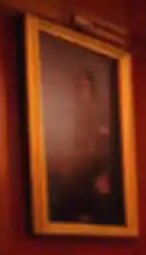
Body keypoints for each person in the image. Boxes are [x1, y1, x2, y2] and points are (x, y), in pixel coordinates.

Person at [47, 69, 118, 224]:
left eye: (83, 87)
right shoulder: (66, 116)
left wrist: (105, 172)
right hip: (75, 167)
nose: (80, 92)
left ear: (91, 89)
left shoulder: (99, 114)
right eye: (77, 87)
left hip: (95, 168)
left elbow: (108, 144)